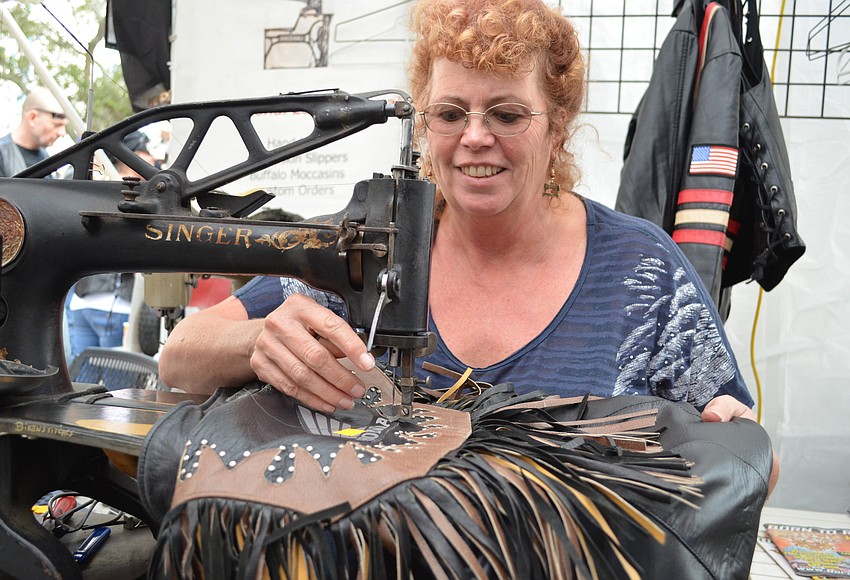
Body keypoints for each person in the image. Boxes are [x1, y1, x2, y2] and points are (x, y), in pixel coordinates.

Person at [159, 0, 777, 491]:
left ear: (557, 126)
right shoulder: (364, 245)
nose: (474, 137)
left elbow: (750, 463)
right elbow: (179, 357)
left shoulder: (642, 273)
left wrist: (738, 444)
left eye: (507, 115)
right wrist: (257, 343)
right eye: (450, 113)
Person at [66, 131, 157, 362]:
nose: (152, 159)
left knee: (97, 374)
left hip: (104, 304)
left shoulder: (141, 193)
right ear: (130, 155)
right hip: (92, 303)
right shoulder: (107, 187)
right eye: (145, 152)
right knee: (90, 374)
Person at [0, 86, 68, 177]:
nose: (62, 133)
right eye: (56, 125)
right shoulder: (3, 155)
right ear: (33, 118)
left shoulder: (45, 157)